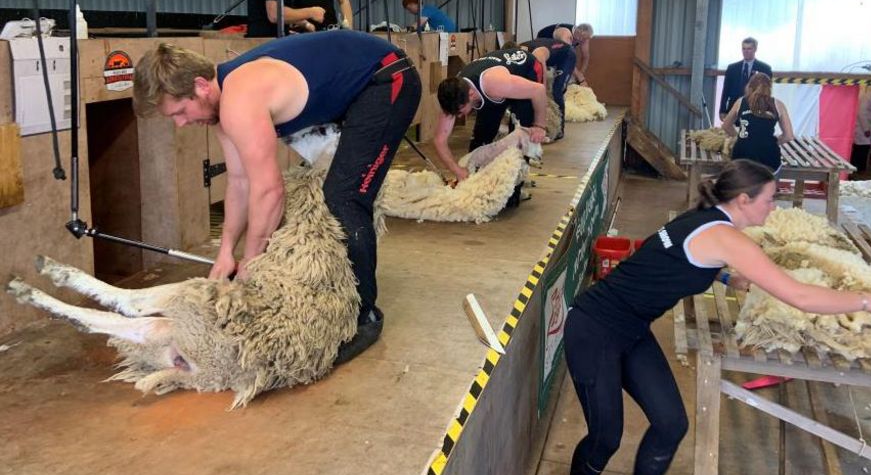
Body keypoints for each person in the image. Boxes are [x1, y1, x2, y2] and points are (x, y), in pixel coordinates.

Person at [561, 159, 871, 475]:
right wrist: (866, 300)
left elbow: (667, 252)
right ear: (743, 200)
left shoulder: (703, 219)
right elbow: (800, 296)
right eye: (769, 199)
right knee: (606, 437)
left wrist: (725, 277)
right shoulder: (727, 238)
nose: (774, 207)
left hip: (631, 329)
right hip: (594, 328)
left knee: (671, 424)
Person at [132, 31, 421, 362]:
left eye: (179, 112)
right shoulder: (224, 105)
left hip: (388, 78)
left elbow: (270, 191)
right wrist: (226, 253)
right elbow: (240, 182)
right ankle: (336, 296)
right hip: (359, 86)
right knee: (329, 196)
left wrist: (251, 262)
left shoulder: (240, 99)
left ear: (200, 86)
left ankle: (364, 318)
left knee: (343, 198)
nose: (182, 124)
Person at [434, 48, 547, 181]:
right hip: (496, 88)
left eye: (460, 111)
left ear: (471, 94)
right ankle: (476, 181)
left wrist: (540, 125)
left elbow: (539, 90)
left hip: (527, 71)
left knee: (520, 138)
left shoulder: (494, 84)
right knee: (480, 139)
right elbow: (439, 140)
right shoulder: (452, 95)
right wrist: (457, 170)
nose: (458, 116)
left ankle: (514, 187)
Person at [721, 72, 794, 175]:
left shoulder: (741, 102)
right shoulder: (778, 104)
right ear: (769, 88)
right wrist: (772, 142)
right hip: (769, 160)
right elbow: (789, 136)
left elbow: (726, 126)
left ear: (749, 87)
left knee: (741, 178)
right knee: (769, 177)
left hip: (742, 157)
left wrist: (740, 137)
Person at [519, 37, 577, 140]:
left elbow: (543, 79)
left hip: (567, 56)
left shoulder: (537, 55)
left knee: (556, 90)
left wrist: (543, 96)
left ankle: (559, 129)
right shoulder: (519, 52)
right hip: (549, 54)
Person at [719, 37, 772, 120]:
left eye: (749, 49)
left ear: (755, 49)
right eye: (743, 49)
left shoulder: (765, 69)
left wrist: (766, 110)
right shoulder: (732, 68)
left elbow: (767, 92)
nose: (746, 51)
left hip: (755, 110)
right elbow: (726, 91)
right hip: (734, 109)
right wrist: (722, 110)